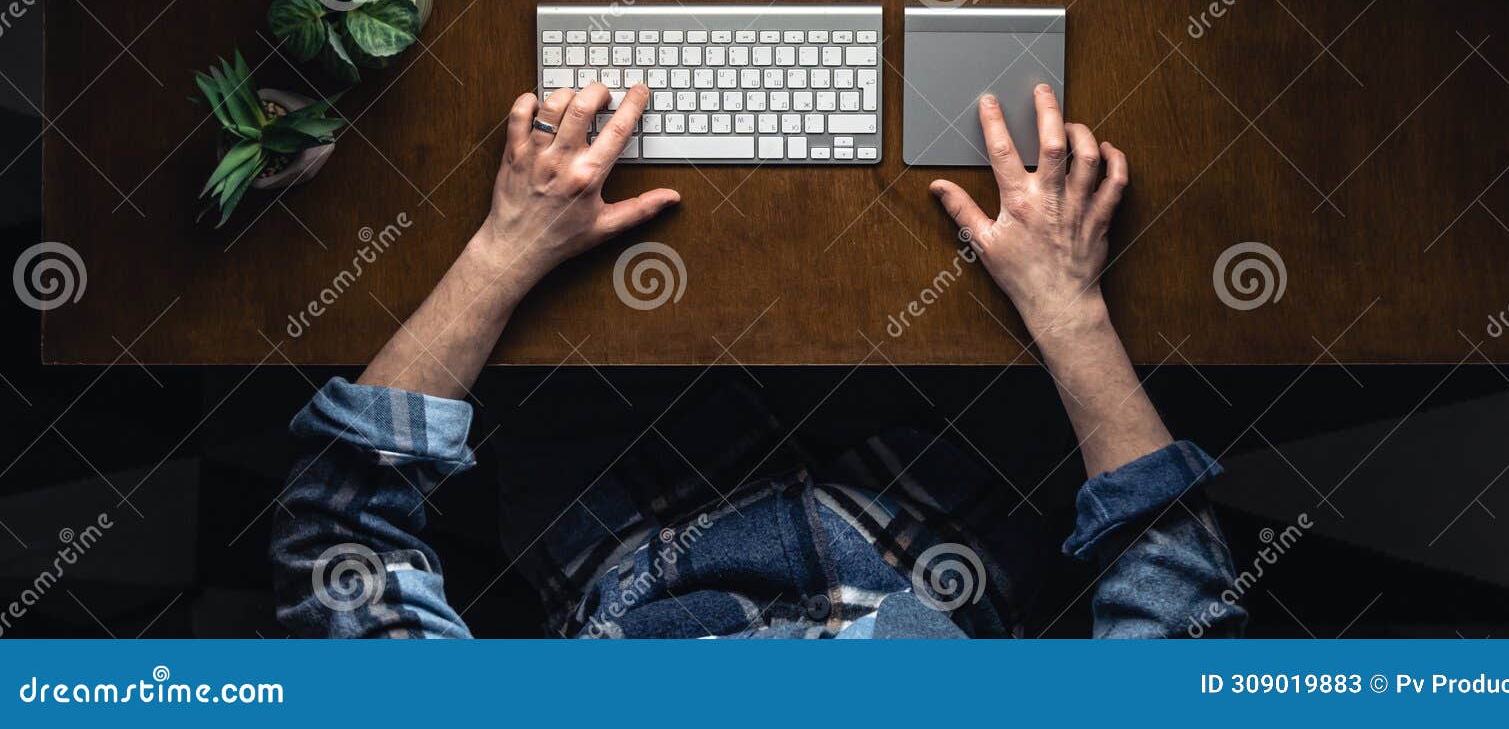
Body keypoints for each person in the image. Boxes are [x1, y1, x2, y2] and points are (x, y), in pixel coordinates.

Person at [271, 81, 1245, 638]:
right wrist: (1068, 307)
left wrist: (504, 248)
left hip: (608, 488)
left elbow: (339, 538)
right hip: (961, 490)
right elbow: (1179, 598)